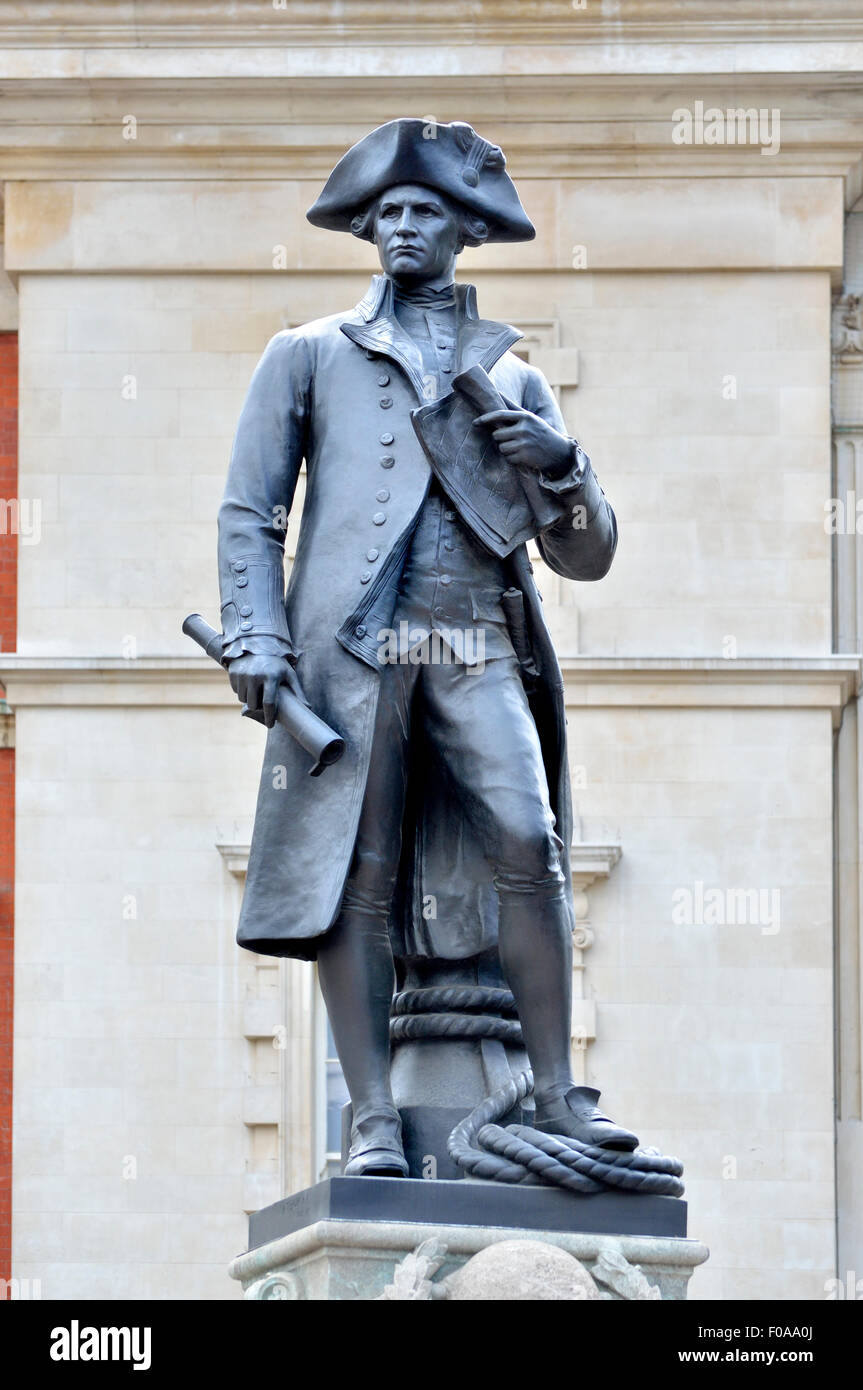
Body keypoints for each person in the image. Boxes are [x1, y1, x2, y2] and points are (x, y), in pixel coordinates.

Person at [218, 119, 637, 1175]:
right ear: (368, 228)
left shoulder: (516, 377)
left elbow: (582, 556)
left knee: (527, 841)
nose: (404, 226)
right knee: (354, 876)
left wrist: (565, 464)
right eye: (389, 212)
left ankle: (552, 1098)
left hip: (472, 640)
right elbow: (250, 510)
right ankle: (369, 1122)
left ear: (463, 233)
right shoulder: (307, 355)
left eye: (426, 212)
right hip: (351, 653)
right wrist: (257, 637)